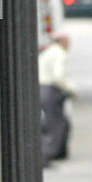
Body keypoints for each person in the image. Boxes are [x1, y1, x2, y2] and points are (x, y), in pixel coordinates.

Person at [38, 33, 76, 161]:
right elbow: (58, 77)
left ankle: (55, 152)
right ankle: (48, 153)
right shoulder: (59, 53)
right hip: (50, 90)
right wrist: (70, 89)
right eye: (68, 41)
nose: (69, 45)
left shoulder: (49, 51)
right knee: (56, 123)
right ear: (62, 42)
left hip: (43, 88)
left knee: (59, 122)